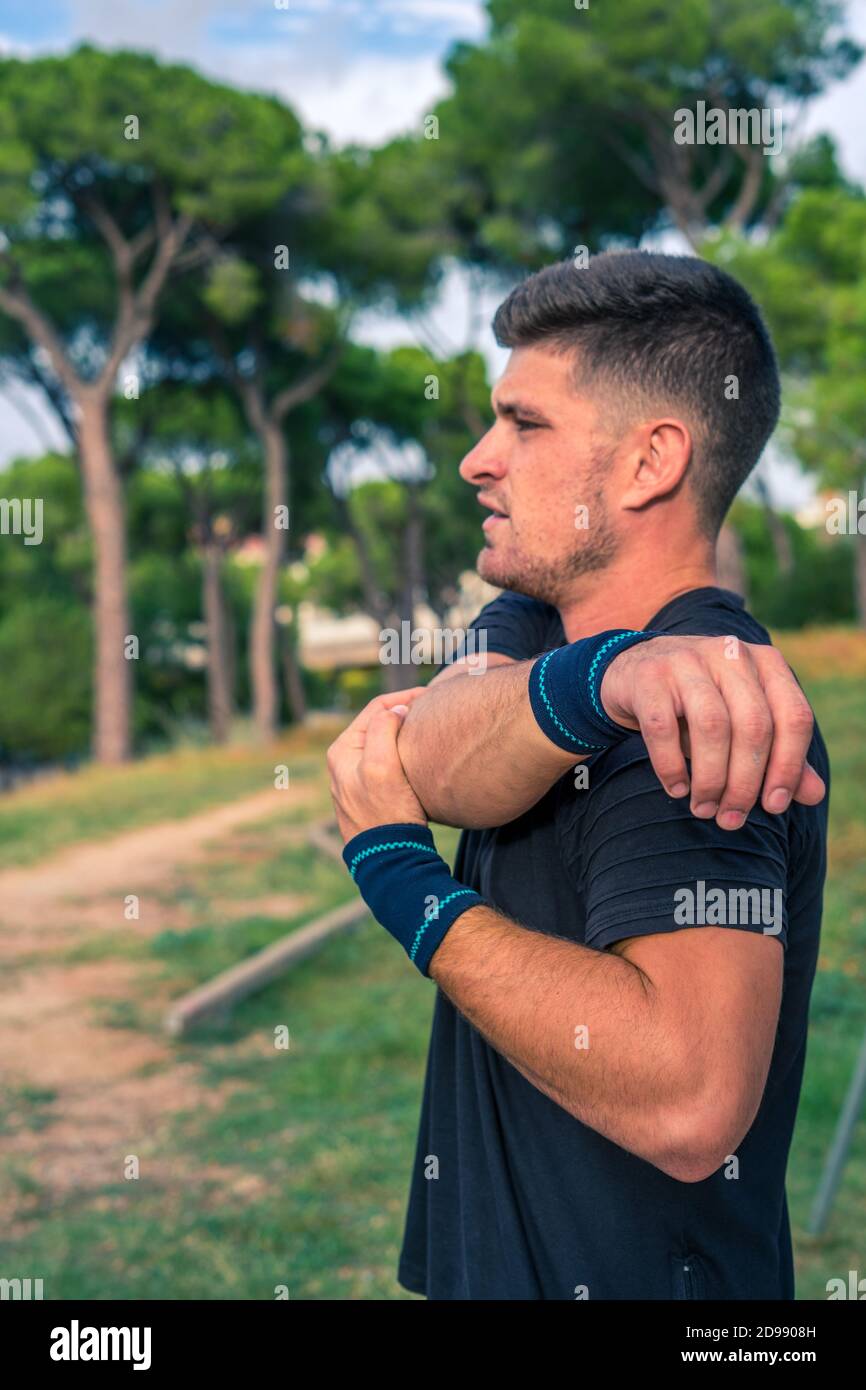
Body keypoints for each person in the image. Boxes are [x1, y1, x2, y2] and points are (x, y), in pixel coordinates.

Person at [327, 251, 829, 1300]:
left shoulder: (695, 720)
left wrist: (410, 891)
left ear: (648, 463)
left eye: (524, 424)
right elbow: (436, 758)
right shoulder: (550, 638)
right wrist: (607, 672)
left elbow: (687, 1101)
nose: (476, 458)